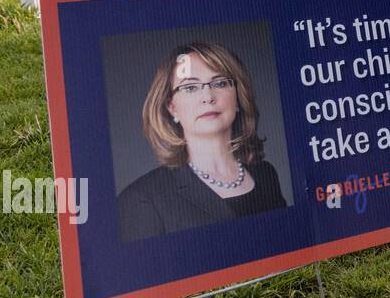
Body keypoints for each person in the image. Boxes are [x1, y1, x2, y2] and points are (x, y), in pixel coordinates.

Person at [118, 41, 286, 241]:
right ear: (172, 107)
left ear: (238, 98)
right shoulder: (141, 199)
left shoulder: (266, 174)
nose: (208, 96)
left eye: (220, 83)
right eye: (190, 87)